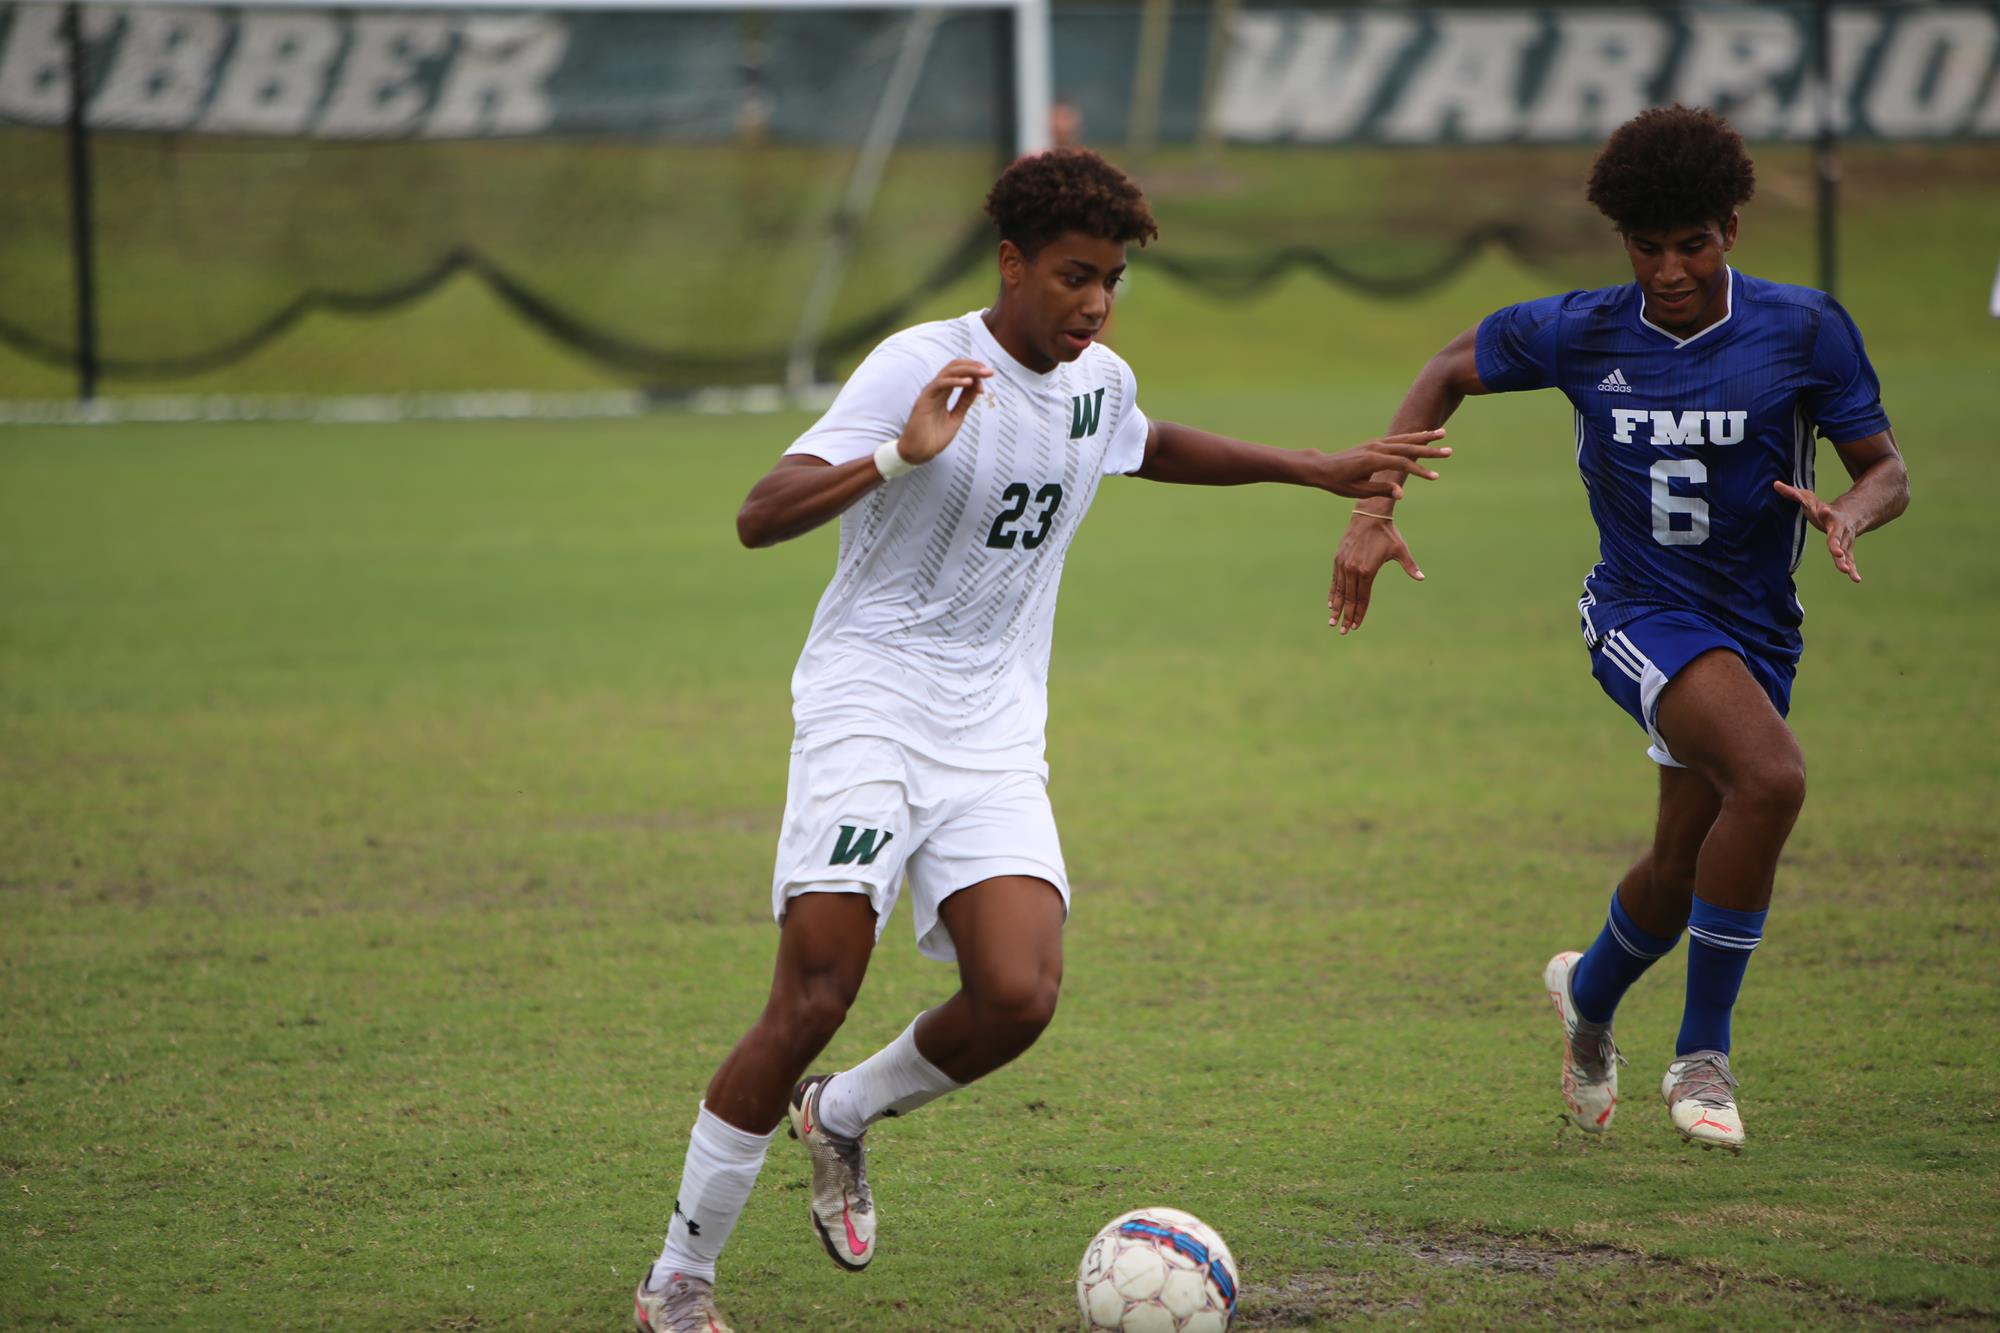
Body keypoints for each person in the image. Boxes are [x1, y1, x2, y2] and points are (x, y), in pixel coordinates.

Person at [633, 148, 1452, 1333]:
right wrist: (895, 455)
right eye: (1074, 275)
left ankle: (844, 1114)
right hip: (872, 706)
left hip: (994, 731)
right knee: (815, 988)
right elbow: (761, 514)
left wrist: (1311, 469)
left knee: (1017, 994)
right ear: (1011, 263)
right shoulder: (920, 365)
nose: (1095, 303)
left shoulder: (1096, 380)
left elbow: (1145, 440)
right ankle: (677, 1281)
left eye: (1112, 280)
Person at [1326, 106, 1908, 1155]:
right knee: (1769, 778)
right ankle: (1701, 1054)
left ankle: (1586, 1000)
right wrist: (1372, 515)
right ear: (1622, 242)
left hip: (1755, 630)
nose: (1670, 269)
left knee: (1678, 861)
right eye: (1647, 247)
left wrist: (1846, 512)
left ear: (1729, 228)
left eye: (1690, 244)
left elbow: (1884, 467)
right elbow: (1446, 368)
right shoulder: (1581, 329)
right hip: (1635, 612)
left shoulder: (1802, 329)